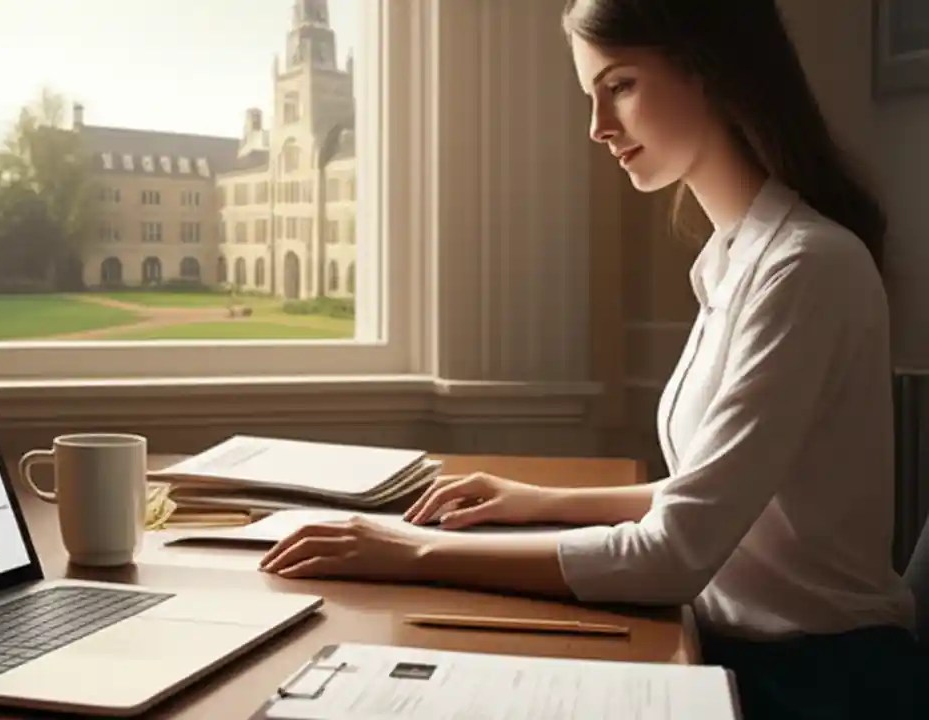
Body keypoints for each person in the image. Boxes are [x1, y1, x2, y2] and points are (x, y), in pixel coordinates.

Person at [258, 1, 925, 717]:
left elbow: (672, 555)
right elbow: (709, 499)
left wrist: (409, 552)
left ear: (711, 69)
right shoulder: (735, 261)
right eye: (591, 96)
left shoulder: (805, 268)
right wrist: (539, 502)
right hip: (736, 652)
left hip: (820, 684)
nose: (598, 127)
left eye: (621, 86)